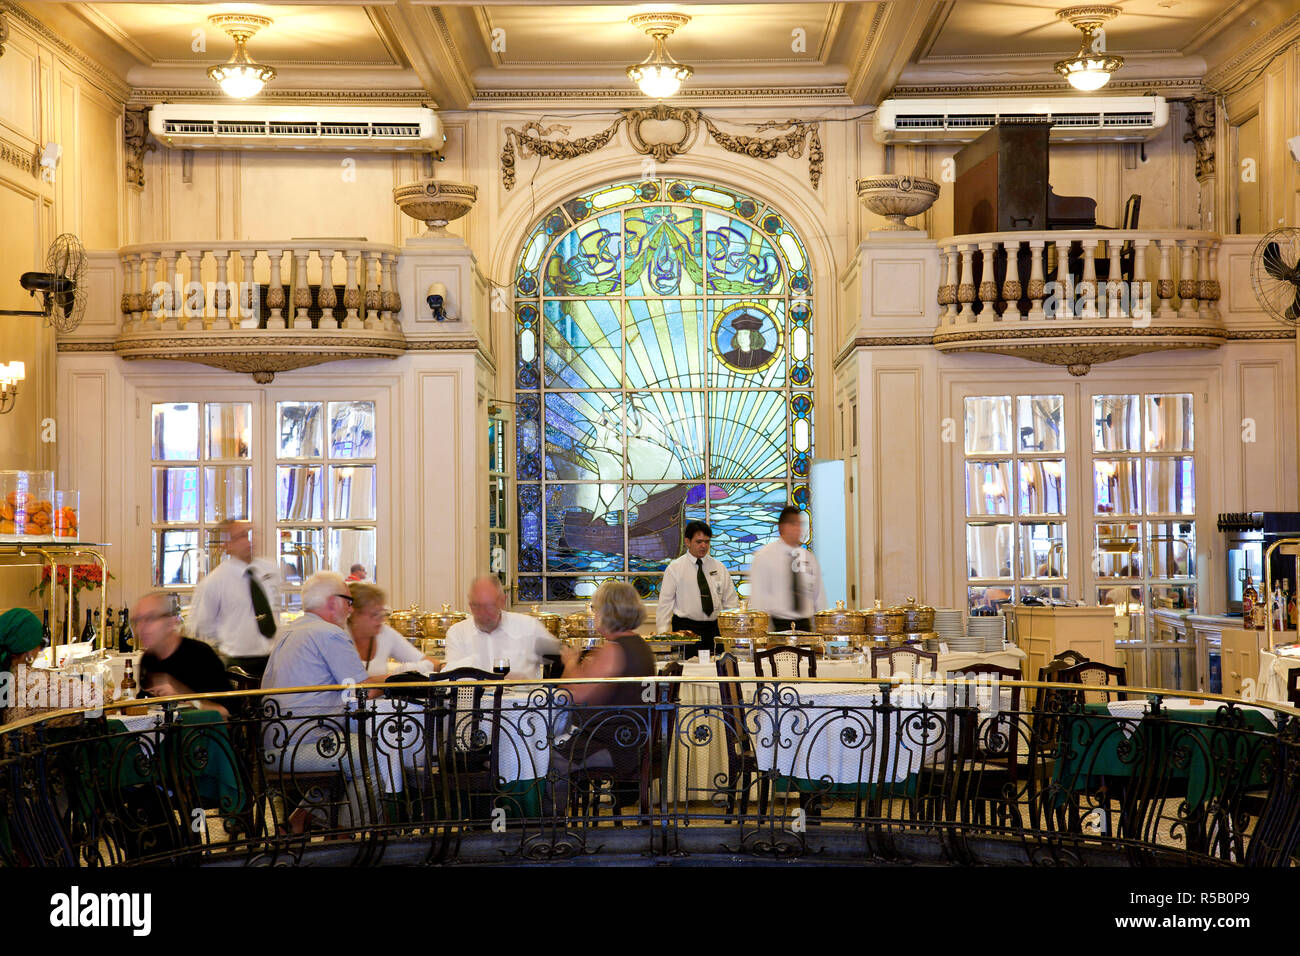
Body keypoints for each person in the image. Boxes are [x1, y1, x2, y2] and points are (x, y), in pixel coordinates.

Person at [261, 571, 388, 834]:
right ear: (332, 602)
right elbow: (361, 692)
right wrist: (397, 680)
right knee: (372, 754)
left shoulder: (290, 630)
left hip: (274, 744)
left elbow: (348, 688)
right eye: (348, 601)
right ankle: (347, 836)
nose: (350, 609)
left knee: (345, 746)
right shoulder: (328, 633)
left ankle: (299, 821)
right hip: (299, 747)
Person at [547, 581, 656, 813]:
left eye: (595, 609)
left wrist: (571, 662)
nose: (594, 614)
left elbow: (574, 695)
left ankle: (551, 823)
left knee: (545, 758)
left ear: (608, 612)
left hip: (615, 746)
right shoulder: (641, 646)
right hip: (634, 740)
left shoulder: (613, 649)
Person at [189, 519, 281, 679]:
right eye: (240, 537)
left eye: (249, 534)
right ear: (226, 545)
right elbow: (202, 625)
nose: (248, 541)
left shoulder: (270, 569)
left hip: (273, 657)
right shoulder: (215, 581)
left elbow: (274, 607)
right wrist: (228, 637)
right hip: (239, 661)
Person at [133, 591, 233, 718]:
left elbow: (227, 714)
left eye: (150, 618)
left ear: (170, 623)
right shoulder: (148, 659)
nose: (140, 628)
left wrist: (184, 699)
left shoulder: (200, 655)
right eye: (137, 621)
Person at [442, 575, 561, 679]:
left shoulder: (528, 627)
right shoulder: (457, 634)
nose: (482, 613)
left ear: (503, 601)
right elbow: (452, 679)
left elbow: (564, 656)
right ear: (469, 604)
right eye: (476, 606)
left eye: (489, 606)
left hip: (524, 698)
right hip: (475, 699)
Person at [655, 519, 738, 658]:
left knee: (716, 667)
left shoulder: (719, 567)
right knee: (688, 667)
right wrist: (662, 636)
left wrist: (734, 632)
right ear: (687, 542)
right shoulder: (675, 568)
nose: (703, 546)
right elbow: (665, 603)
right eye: (699, 542)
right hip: (685, 629)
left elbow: (730, 601)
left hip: (714, 629)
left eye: (707, 542)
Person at [748, 505, 827, 632]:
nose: (798, 529)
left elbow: (818, 596)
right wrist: (763, 632)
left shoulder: (809, 558)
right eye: (793, 524)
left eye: (800, 524)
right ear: (782, 527)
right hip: (778, 625)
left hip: (805, 625)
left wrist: (821, 630)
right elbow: (759, 598)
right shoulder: (764, 556)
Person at [346, 581, 438, 678]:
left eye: (382, 613)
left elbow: (426, 661)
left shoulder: (385, 633)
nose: (381, 619)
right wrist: (391, 678)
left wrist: (442, 666)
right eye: (374, 614)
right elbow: (354, 681)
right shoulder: (339, 636)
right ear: (353, 614)